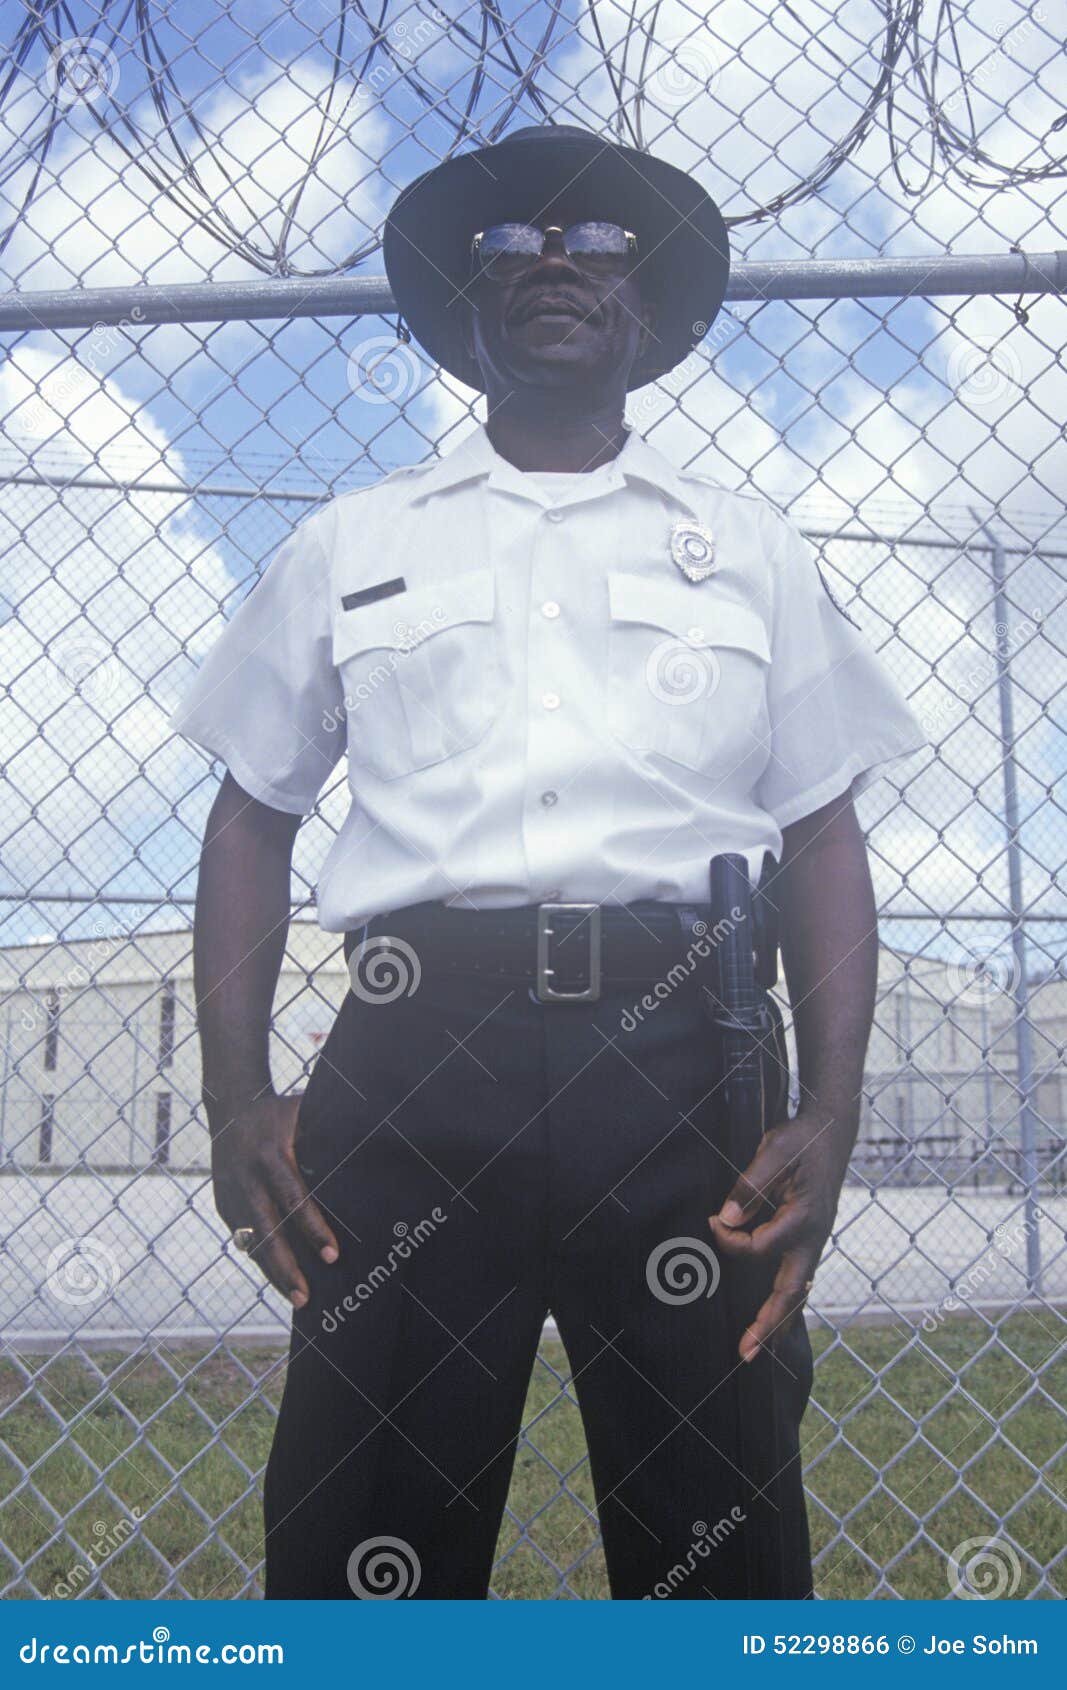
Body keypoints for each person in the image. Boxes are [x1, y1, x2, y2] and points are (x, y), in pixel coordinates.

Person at [169, 124, 926, 1599]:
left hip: (687, 1074)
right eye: (514, 246)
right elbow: (251, 816)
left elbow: (824, 833)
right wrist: (233, 1094)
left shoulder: (753, 548)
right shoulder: (352, 540)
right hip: (416, 1061)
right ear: (470, 308)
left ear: (643, 313)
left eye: (599, 245)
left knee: (724, 1536)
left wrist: (832, 1110)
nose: (556, 264)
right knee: (354, 1536)